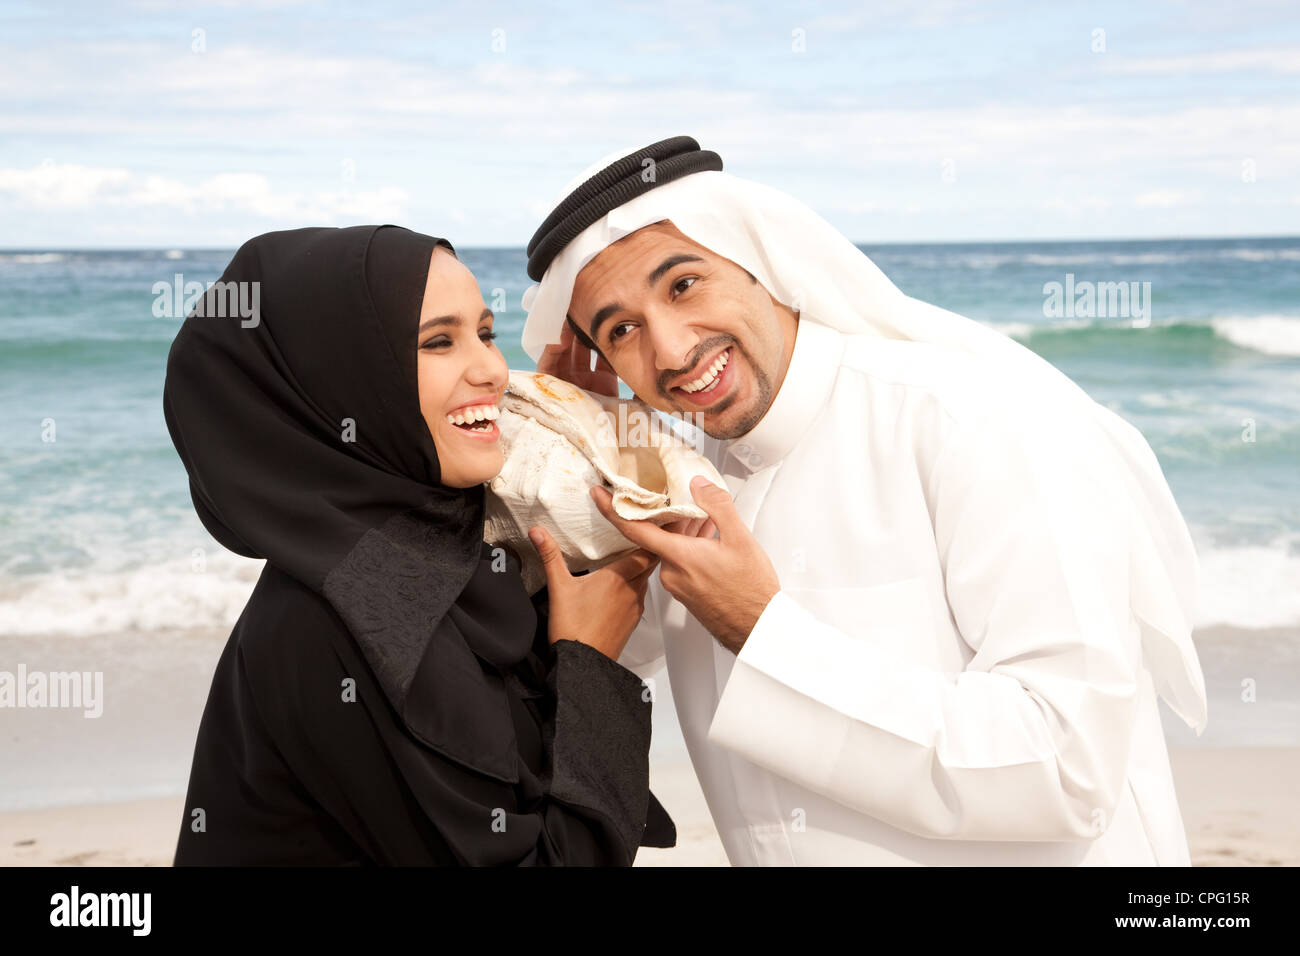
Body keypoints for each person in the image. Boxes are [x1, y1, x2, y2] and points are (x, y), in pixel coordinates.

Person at [520, 136, 1209, 866]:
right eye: (621, 330)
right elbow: (599, 646)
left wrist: (763, 632)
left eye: (684, 285)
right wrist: (593, 445)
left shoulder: (972, 418)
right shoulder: (681, 472)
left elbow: (1068, 767)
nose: (670, 349)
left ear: (765, 263)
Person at [164, 224, 673, 865]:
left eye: (485, 333)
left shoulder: (444, 560)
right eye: (438, 342)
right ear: (342, 381)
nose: (492, 368)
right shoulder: (344, 624)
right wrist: (590, 660)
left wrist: (573, 431)